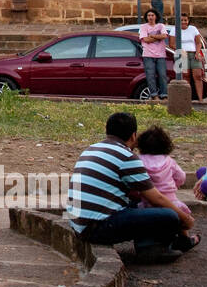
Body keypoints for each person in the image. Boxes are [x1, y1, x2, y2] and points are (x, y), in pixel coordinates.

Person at [66, 112, 196, 261]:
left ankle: (147, 244)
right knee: (170, 215)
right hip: (97, 227)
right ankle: (151, 247)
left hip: (78, 223)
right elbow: (156, 198)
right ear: (133, 136)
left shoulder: (91, 149)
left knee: (138, 203)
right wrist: (184, 218)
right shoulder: (126, 156)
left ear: (107, 131)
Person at [135, 126, 198, 248]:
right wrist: (175, 184)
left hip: (146, 202)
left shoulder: (139, 161)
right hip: (171, 202)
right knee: (181, 218)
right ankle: (184, 239)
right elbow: (181, 177)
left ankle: (149, 242)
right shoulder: (169, 161)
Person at [169, 13, 205, 100]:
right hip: (181, 54)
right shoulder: (174, 29)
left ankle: (200, 99)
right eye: (181, 20)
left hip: (193, 53)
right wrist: (181, 50)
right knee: (186, 76)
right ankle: (187, 99)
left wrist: (197, 53)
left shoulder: (193, 29)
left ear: (188, 21)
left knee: (198, 75)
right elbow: (171, 44)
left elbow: (198, 42)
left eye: (185, 20)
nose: (184, 22)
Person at [138, 8, 169, 100]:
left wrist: (152, 36)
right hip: (148, 55)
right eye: (148, 15)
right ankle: (154, 95)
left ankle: (164, 95)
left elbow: (164, 36)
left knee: (162, 75)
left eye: (152, 15)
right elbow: (146, 40)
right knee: (150, 76)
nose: (150, 17)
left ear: (156, 17)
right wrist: (159, 37)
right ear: (146, 17)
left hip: (160, 55)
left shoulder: (161, 26)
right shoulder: (143, 27)